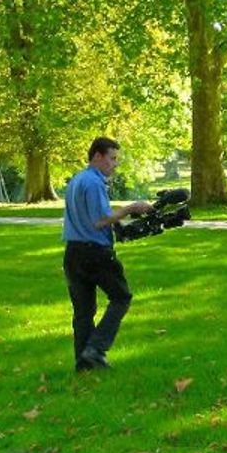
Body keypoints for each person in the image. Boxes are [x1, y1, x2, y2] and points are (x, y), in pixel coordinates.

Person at [62, 137, 152, 371]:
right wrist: (131, 208)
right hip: (95, 253)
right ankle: (96, 349)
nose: (115, 164)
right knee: (121, 297)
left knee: (83, 313)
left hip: (73, 253)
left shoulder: (76, 180)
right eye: (112, 159)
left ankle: (84, 365)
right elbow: (100, 221)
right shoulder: (93, 183)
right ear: (98, 156)